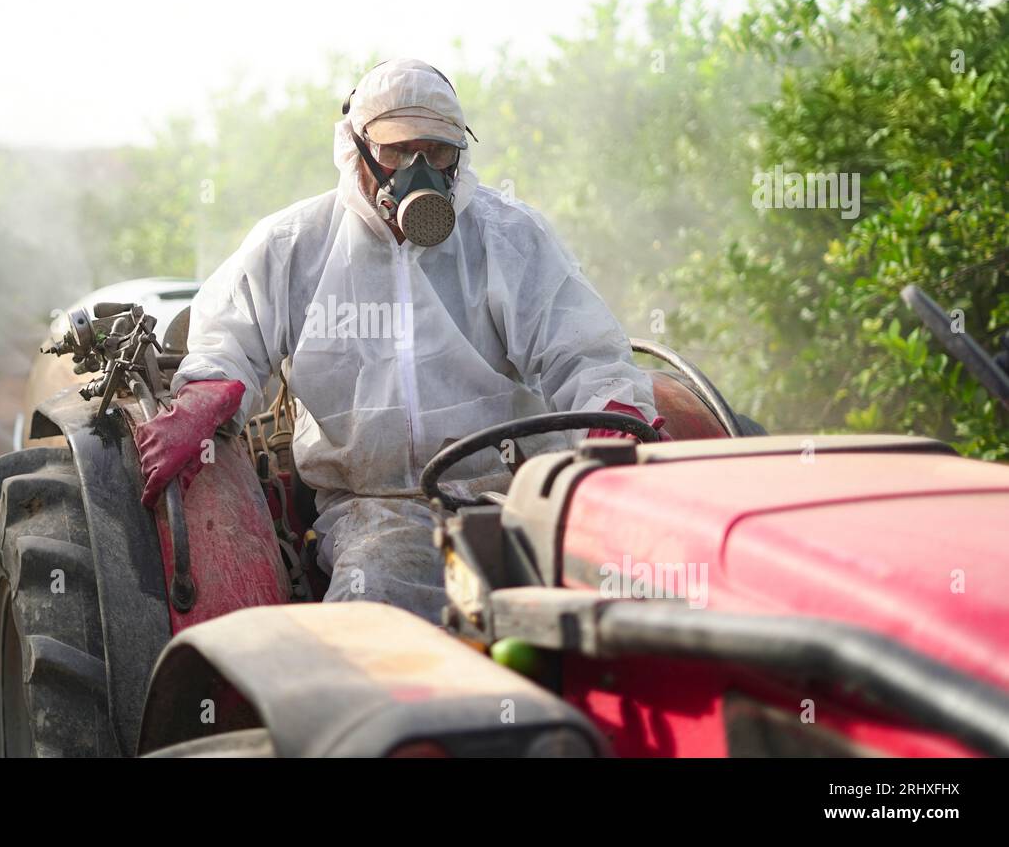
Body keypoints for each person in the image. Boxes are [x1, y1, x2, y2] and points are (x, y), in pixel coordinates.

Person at [137, 58, 665, 623]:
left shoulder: (508, 236)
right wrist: (205, 396)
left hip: (517, 493)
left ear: (459, 154)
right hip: (376, 509)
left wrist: (612, 413)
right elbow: (230, 335)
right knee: (374, 626)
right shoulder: (296, 244)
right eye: (396, 151)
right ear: (354, 149)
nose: (418, 171)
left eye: (437, 153)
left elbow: (581, 350)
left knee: (610, 614)